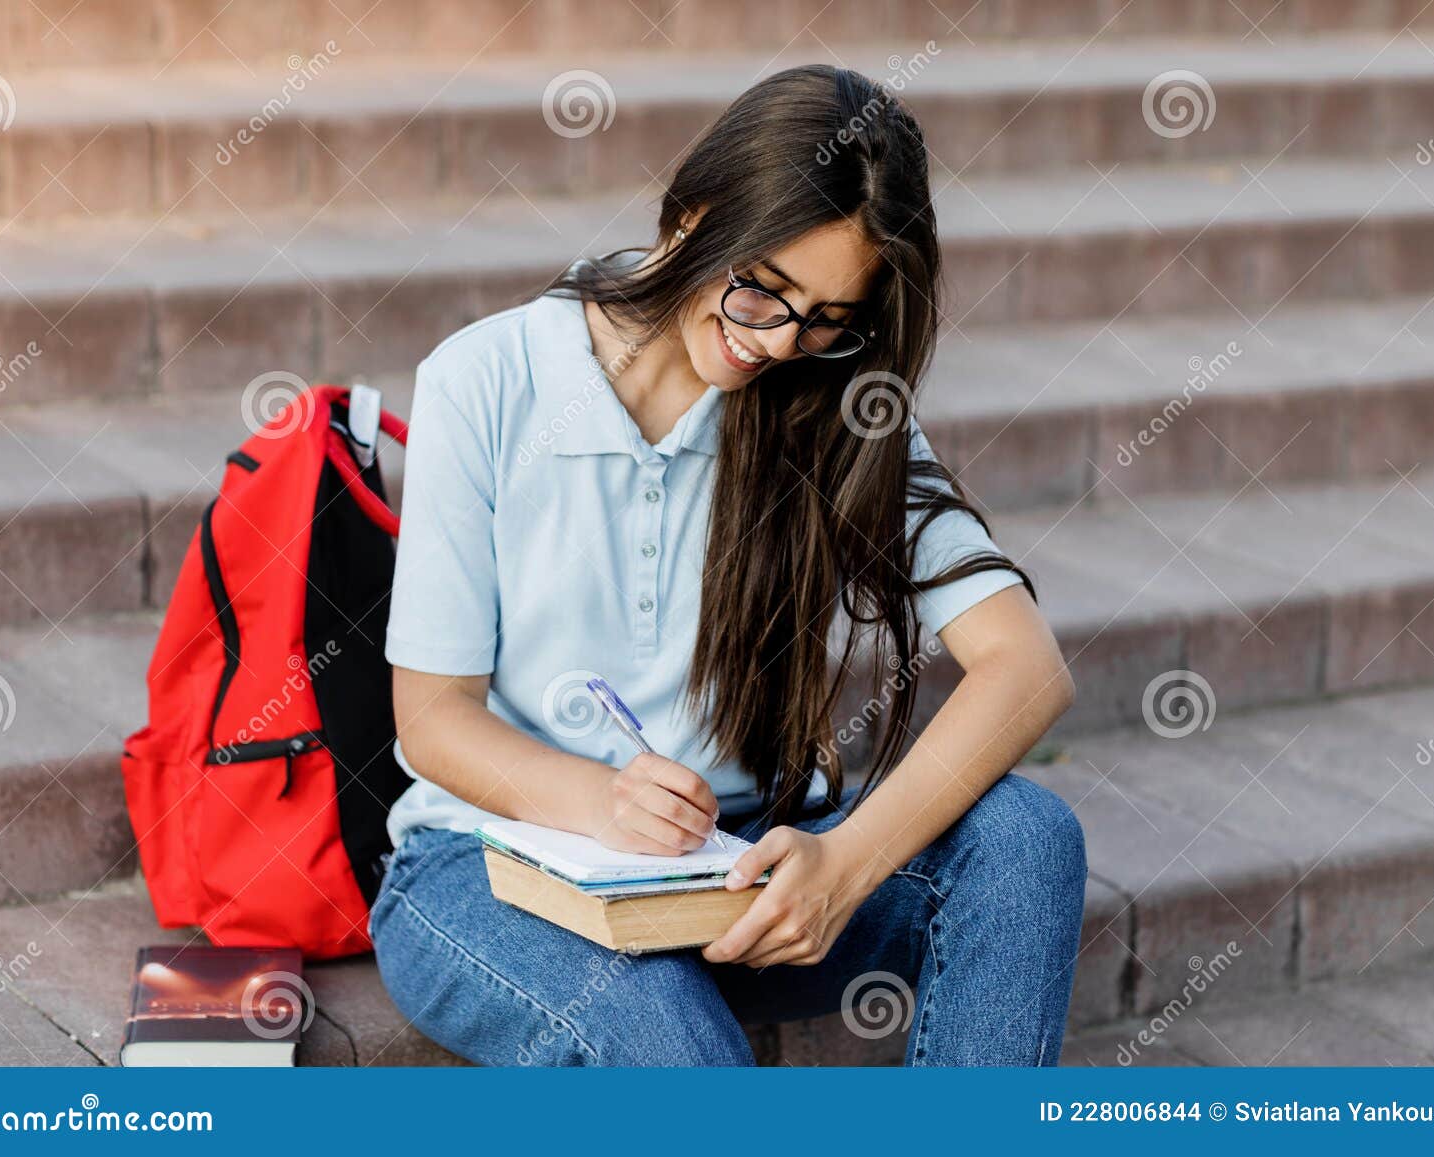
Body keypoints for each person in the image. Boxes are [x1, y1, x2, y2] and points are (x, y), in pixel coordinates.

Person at [370, 64, 1085, 1066]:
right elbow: (433, 717)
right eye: (765, 291)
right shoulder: (487, 378)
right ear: (694, 213)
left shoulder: (832, 399)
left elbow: (1024, 663)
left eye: (829, 316)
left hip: (742, 868)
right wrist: (604, 801)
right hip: (494, 870)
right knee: (669, 1039)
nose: (778, 343)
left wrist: (844, 860)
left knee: (1024, 838)